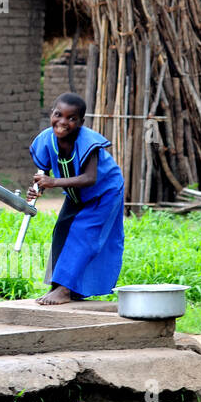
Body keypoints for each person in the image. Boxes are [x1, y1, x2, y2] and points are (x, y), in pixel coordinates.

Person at [28, 92, 125, 305]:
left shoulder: (88, 143)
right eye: (58, 115)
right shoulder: (46, 140)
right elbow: (41, 173)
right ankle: (58, 285)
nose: (62, 122)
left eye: (71, 118)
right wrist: (37, 189)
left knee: (84, 236)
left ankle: (65, 290)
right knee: (61, 231)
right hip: (75, 193)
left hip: (104, 192)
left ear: (81, 122)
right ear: (51, 114)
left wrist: (52, 183)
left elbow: (90, 178)